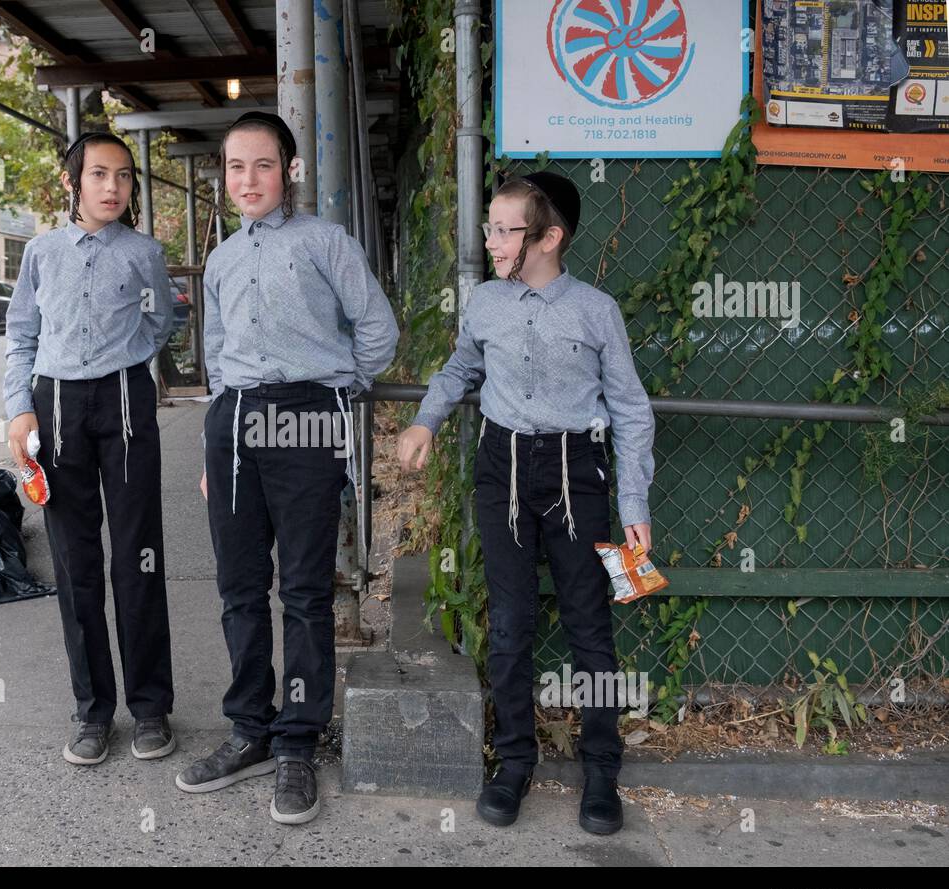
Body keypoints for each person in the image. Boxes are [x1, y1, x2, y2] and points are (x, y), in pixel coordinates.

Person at [397, 172, 655, 835]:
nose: (489, 240)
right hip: (503, 469)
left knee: (589, 628)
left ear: (548, 237)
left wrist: (634, 502)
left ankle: (602, 769)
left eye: (502, 229)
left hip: (578, 475)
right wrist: (427, 419)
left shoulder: (596, 310)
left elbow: (630, 409)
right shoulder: (485, 302)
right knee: (510, 626)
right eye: (488, 226)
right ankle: (513, 762)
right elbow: (462, 367)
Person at [176, 112, 399, 825]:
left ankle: (297, 742)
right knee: (239, 587)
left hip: (308, 416)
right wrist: (220, 445)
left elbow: (377, 330)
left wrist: (335, 394)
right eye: (236, 167)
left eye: (263, 165)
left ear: (289, 170)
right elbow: (217, 354)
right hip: (234, 421)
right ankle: (248, 729)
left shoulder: (327, 242)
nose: (248, 180)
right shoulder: (220, 259)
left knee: (304, 590)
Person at [3, 132, 178, 767]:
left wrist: (130, 359)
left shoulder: (144, 253)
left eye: (125, 177)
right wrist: (19, 406)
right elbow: (21, 331)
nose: (113, 187)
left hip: (126, 401)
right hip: (54, 405)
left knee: (139, 555)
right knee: (75, 564)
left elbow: (163, 319)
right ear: (72, 182)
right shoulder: (41, 253)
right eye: (100, 175)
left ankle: (152, 708)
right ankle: (92, 711)